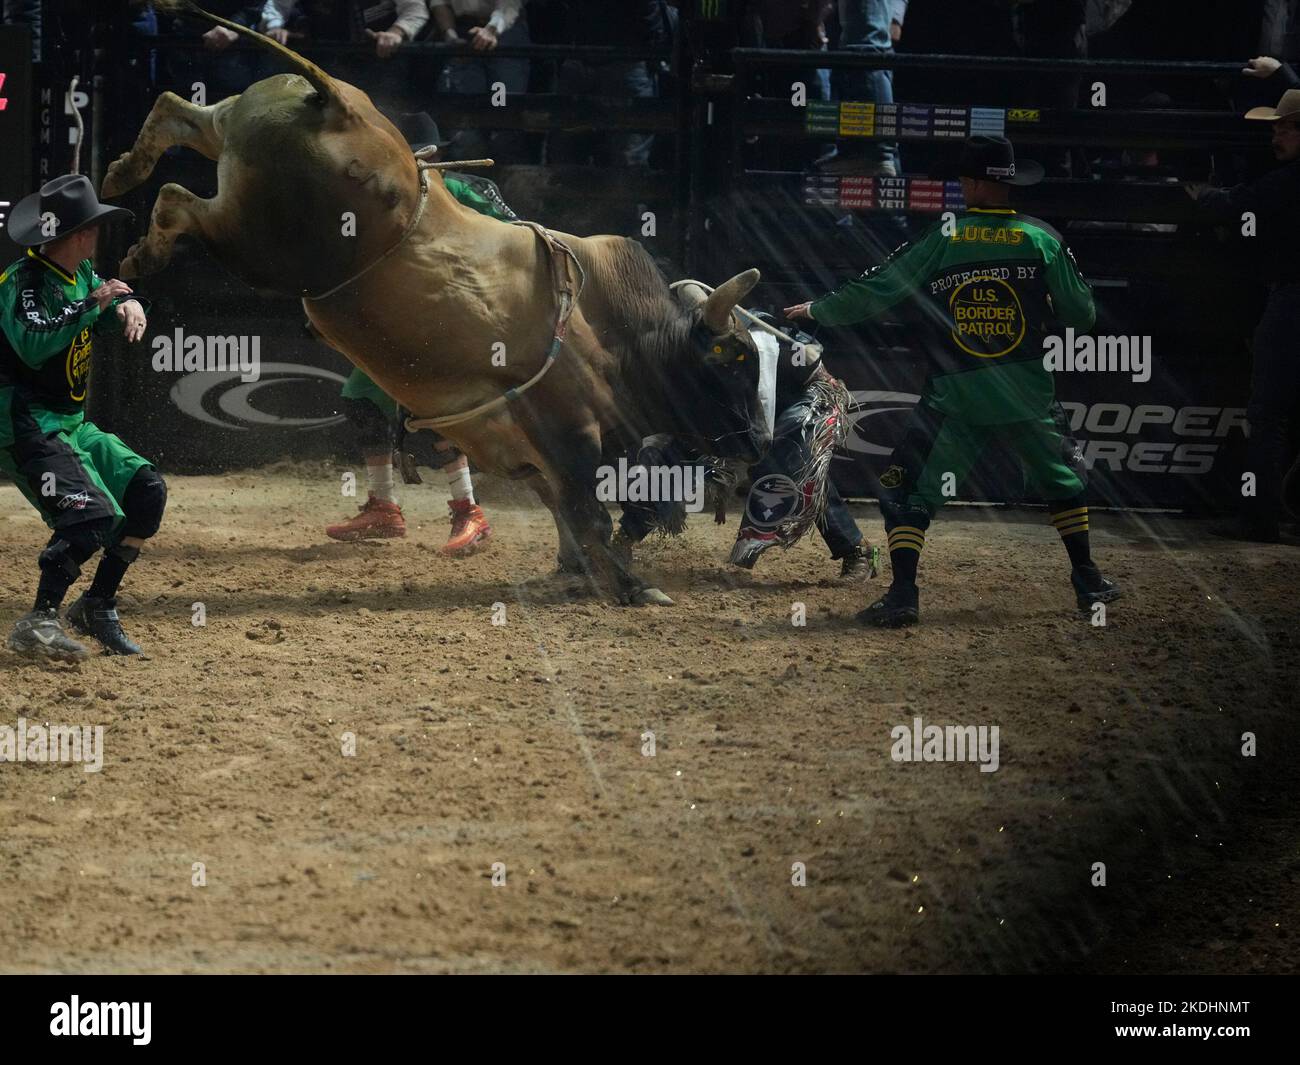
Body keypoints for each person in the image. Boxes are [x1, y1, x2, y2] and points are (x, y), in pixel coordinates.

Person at [786, 135, 1121, 627]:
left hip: (957, 394)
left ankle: (903, 595)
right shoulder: (1041, 237)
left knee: (906, 493)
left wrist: (818, 309)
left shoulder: (945, 235)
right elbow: (1082, 313)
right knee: (1062, 480)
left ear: (970, 183)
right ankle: (1087, 577)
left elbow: (881, 287)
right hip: (1026, 391)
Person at [322, 114, 508, 554]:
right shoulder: (385, 198)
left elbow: (515, 235)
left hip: (452, 318)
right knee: (362, 399)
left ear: (436, 155)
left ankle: (469, 512)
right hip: (398, 321)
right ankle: (383, 507)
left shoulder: (467, 189)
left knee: (432, 410)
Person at [1, 175, 164, 659]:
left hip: (68, 424)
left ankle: (97, 604)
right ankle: (40, 620)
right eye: (93, 227)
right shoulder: (23, 283)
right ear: (78, 235)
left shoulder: (80, 272)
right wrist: (95, 304)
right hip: (26, 423)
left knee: (146, 492)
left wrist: (128, 302)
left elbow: (104, 290)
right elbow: (33, 342)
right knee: (87, 515)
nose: (97, 235)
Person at [1189, 57, 1300, 543]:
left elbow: (1238, 206)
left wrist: (1201, 193)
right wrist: (1284, 75)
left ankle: (1261, 518)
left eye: (1283, 129)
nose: (1274, 138)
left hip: (1293, 298)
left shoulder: (1289, 181)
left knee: (1268, 410)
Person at [429, 0, 531, 164]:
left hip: (505, 31)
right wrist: (449, 34)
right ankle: (466, 170)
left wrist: (492, 30)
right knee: (461, 108)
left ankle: (507, 173)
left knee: (504, 104)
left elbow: (509, 5)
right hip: (462, 30)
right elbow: (439, 3)